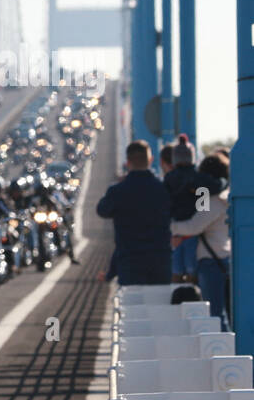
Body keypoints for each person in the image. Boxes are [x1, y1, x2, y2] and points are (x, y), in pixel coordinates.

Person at [96, 140, 171, 285]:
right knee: (160, 305)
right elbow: (190, 209)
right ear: (150, 160)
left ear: (128, 162)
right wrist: (203, 201)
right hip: (160, 262)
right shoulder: (164, 189)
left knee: (131, 305)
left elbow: (102, 210)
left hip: (129, 263)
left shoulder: (117, 191)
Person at [171, 154, 230, 329]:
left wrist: (171, 227)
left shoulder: (210, 200)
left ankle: (224, 352)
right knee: (228, 313)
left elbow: (194, 226)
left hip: (211, 262)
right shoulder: (226, 197)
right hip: (225, 258)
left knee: (215, 314)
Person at [163, 133, 221, 284]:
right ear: (192, 157)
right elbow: (206, 203)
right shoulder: (200, 180)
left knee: (175, 271)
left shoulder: (169, 180)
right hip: (195, 235)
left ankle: (177, 295)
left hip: (175, 233)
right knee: (193, 273)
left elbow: (165, 206)